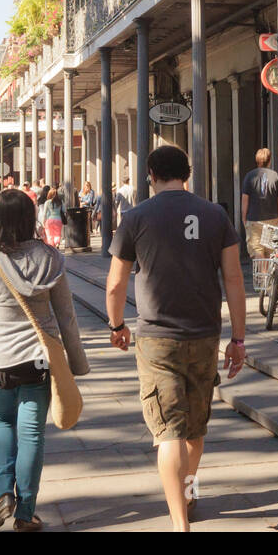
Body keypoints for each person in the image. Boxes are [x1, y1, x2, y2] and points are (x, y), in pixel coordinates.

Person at [106, 146, 246, 532]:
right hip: (204, 334)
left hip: (156, 339)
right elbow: (233, 279)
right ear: (187, 173)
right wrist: (238, 338)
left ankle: (179, 523)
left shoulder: (135, 217)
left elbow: (117, 282)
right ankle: (188, 489)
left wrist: (117, 326)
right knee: (195, 429)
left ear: (151, 173)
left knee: (169, 431)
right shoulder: (215, 214)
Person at [0, 189, 89, 532]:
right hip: (39, 358)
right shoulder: (50, 258)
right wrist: (76, 363)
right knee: (31, 434)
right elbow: (67, 317)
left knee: (1, 424)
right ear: (29, 218)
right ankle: (25, 512)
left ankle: (3, 493)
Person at [240, 148, 278, 261]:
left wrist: (244, 218)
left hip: (254, 219)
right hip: (273, 218)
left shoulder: (249, 176)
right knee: (270, 249)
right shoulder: (275, 176)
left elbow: (245, 199)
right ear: (269, 160)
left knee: (257, 248)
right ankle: (269, 277)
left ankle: (262, 275)